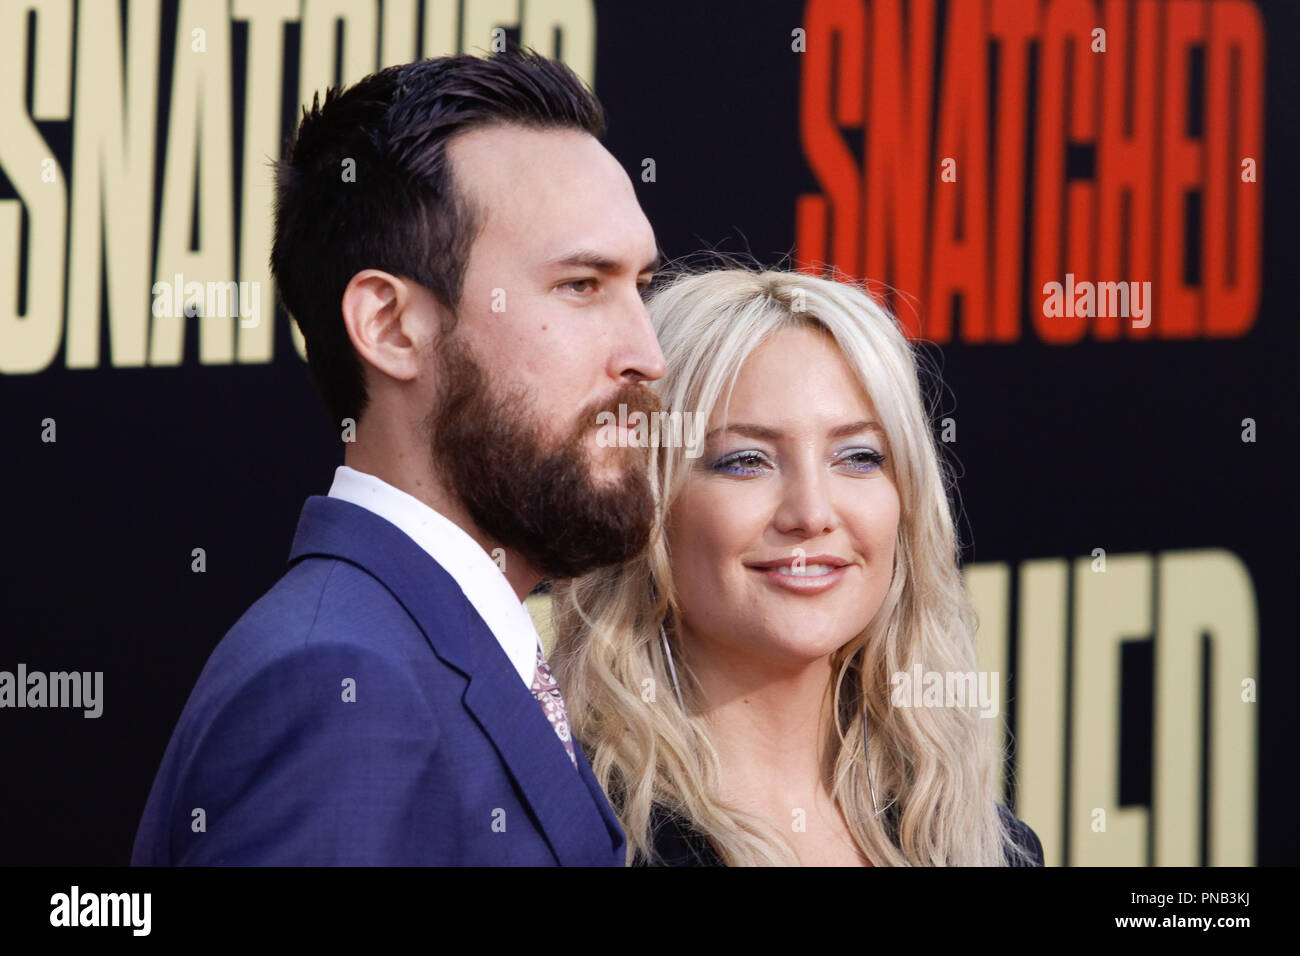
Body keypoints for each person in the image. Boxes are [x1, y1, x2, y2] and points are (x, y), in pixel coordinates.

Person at [132, 47, 665, 865]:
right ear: (388, 325)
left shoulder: (436, 645)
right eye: (582, 286)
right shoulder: (341, 686)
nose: (647, 353)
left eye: (643, 287)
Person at [551, 265, 1045, 866]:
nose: (811, 513)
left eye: (859, 456)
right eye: (746, 461)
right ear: (646, 503)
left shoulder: (989, 845)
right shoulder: (572, 837)